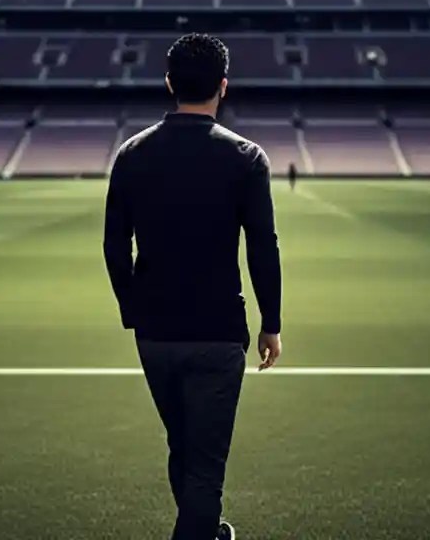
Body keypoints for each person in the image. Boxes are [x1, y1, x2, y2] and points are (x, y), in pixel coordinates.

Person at [104, 33, 283, 540]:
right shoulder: (246, 157)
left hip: (156, 333)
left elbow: (114, 244)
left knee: (183, 447)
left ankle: (206, 531)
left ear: (168, 83)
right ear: (223, 86)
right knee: (204, 465)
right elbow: (262, 246)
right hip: (217, 331)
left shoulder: (131, 154)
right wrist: (271, 323)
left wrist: (132, 308)